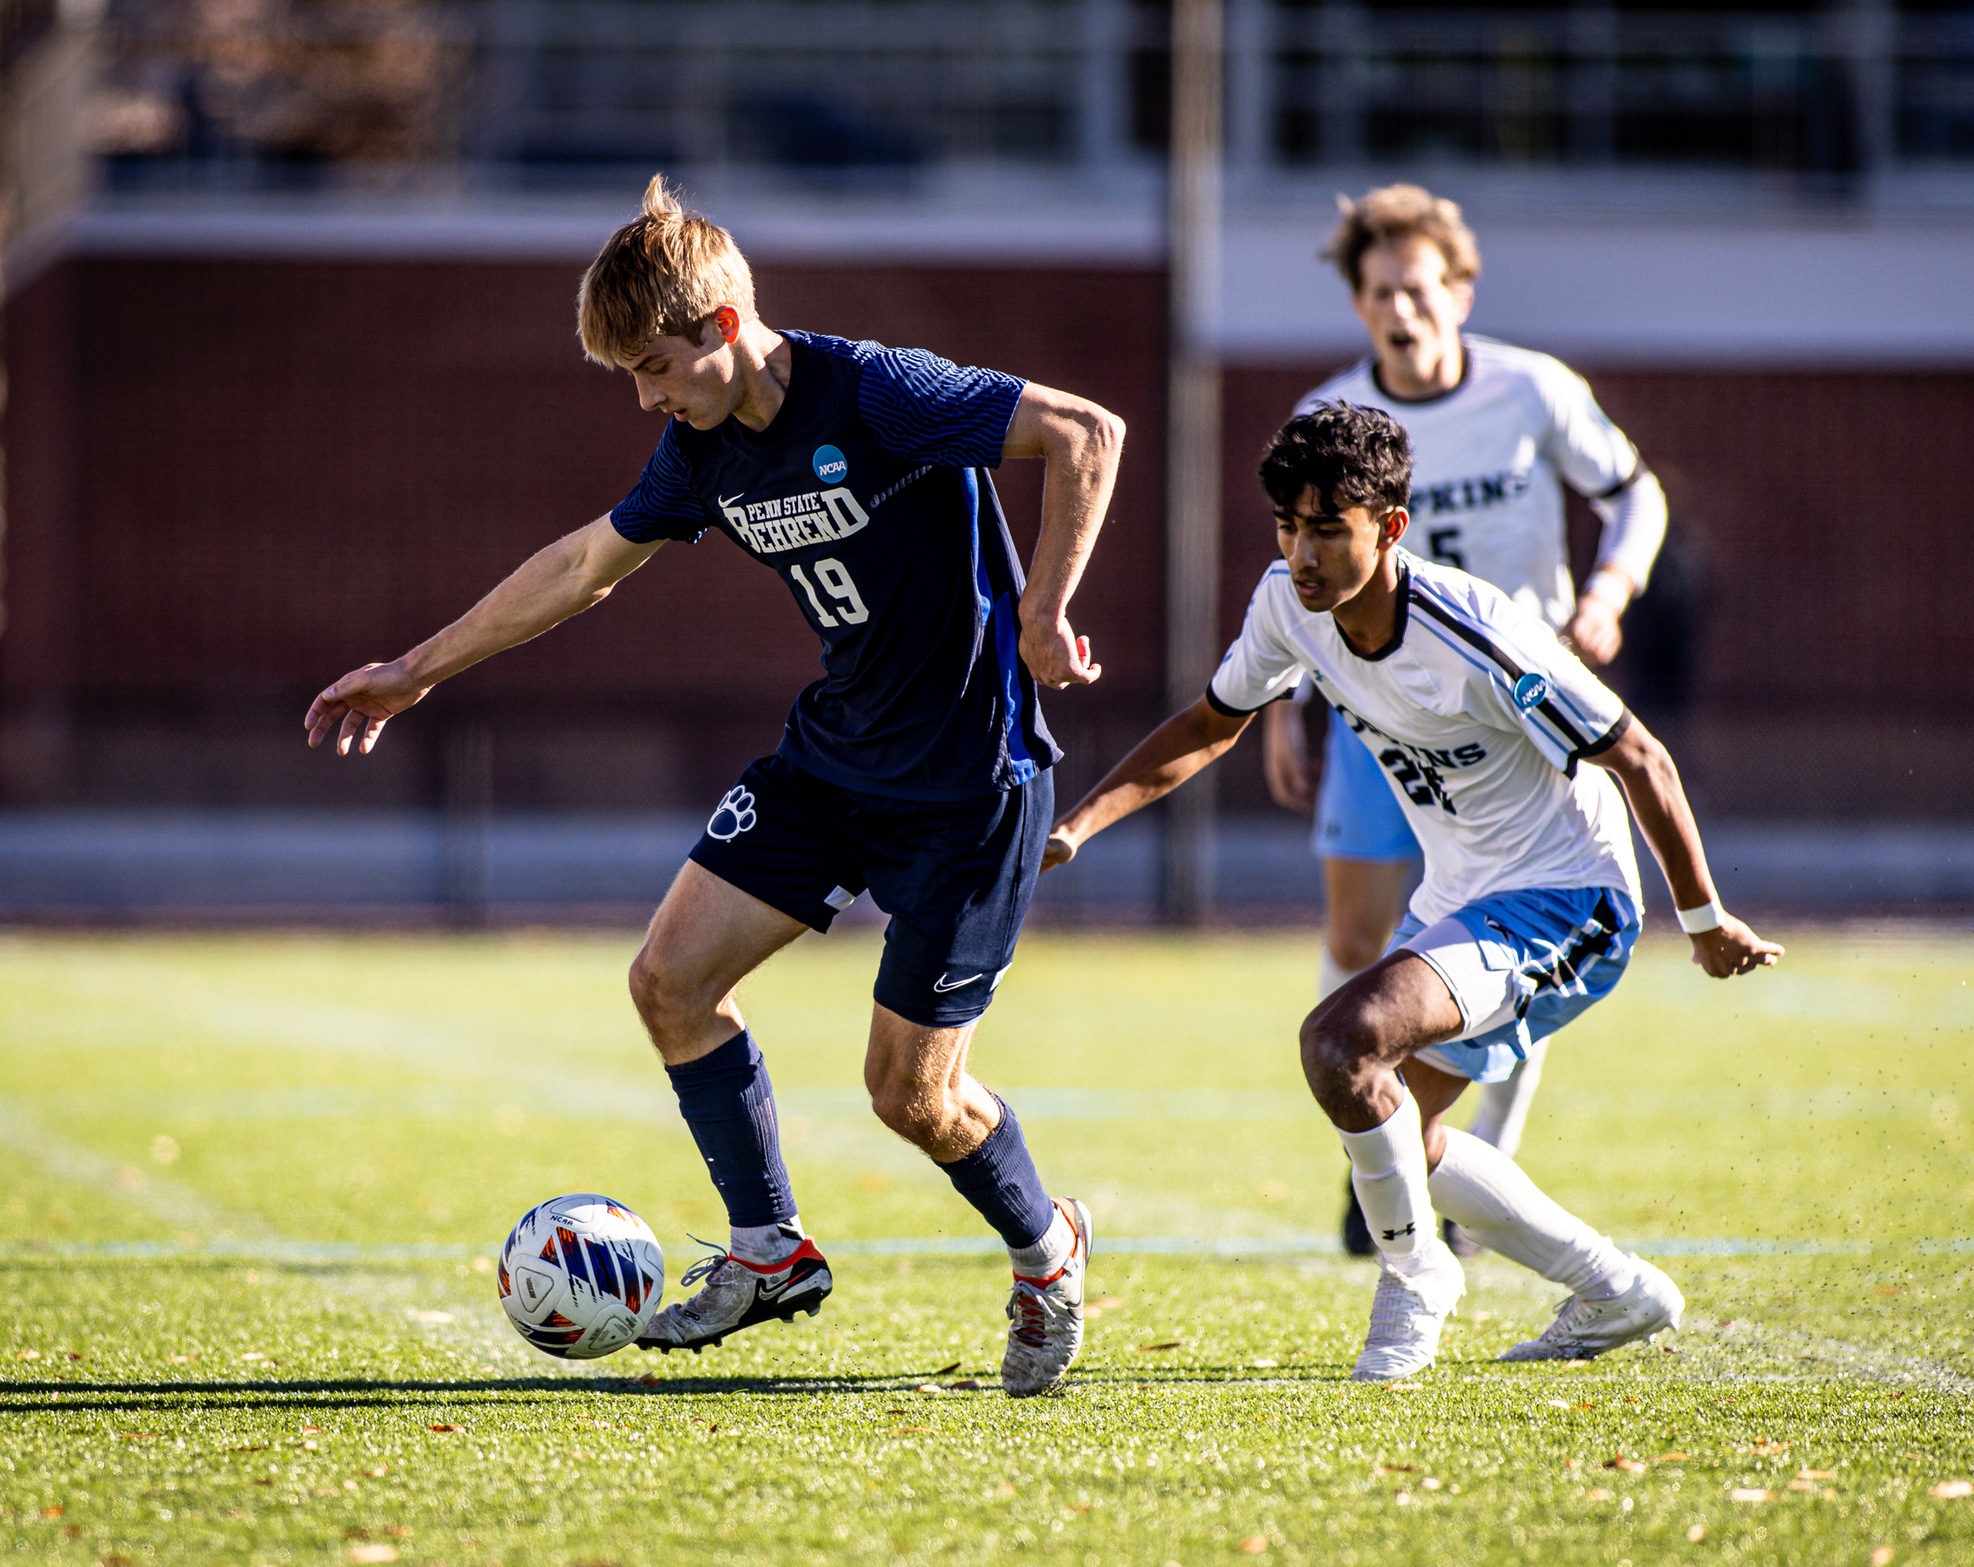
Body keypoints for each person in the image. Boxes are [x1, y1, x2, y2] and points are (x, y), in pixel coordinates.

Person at [303, 177, 1121, 1398]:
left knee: (910, 1095)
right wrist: (414, 671)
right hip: (831, 764)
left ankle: (1046, 1252)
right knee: (669, 982)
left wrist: (1047, 609)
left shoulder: (879, 392)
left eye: (652, 366)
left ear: (723, 326)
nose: (644, 397)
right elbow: (584, 562)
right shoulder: (698, 450)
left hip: (967, 788)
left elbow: (1083, 430)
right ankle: (768, 1250)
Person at [1044, 404, 1777, 1380]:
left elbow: (1638, 755)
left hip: (1570, 899)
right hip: (1465, 898)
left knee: (1338, 1040)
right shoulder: (1285, 604)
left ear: (1388, 528)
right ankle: (1614, 1289)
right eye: (1286, 527)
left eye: (1325, 529)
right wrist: (1074, 827)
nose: (1300, 554)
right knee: (1402, 1125)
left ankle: (1416, 1275)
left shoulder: (1474, 632)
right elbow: (1210, 724)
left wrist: (1701, 918)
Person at [1258, 185, 1671, 1254]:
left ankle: (1488, 1149)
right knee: (1356, 938)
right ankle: (1379, 1147)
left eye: (1419, 287)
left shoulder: (1531, 390)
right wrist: (1281, 705)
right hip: (1376, 712)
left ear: (1459, 291)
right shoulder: (1334, 413)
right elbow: (1304, 571)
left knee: (1509, 932)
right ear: (1357, 305)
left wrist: (1609, 591)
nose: (1401, 309)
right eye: (1380, 291)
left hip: (1516, 722)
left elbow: (1635, 495)